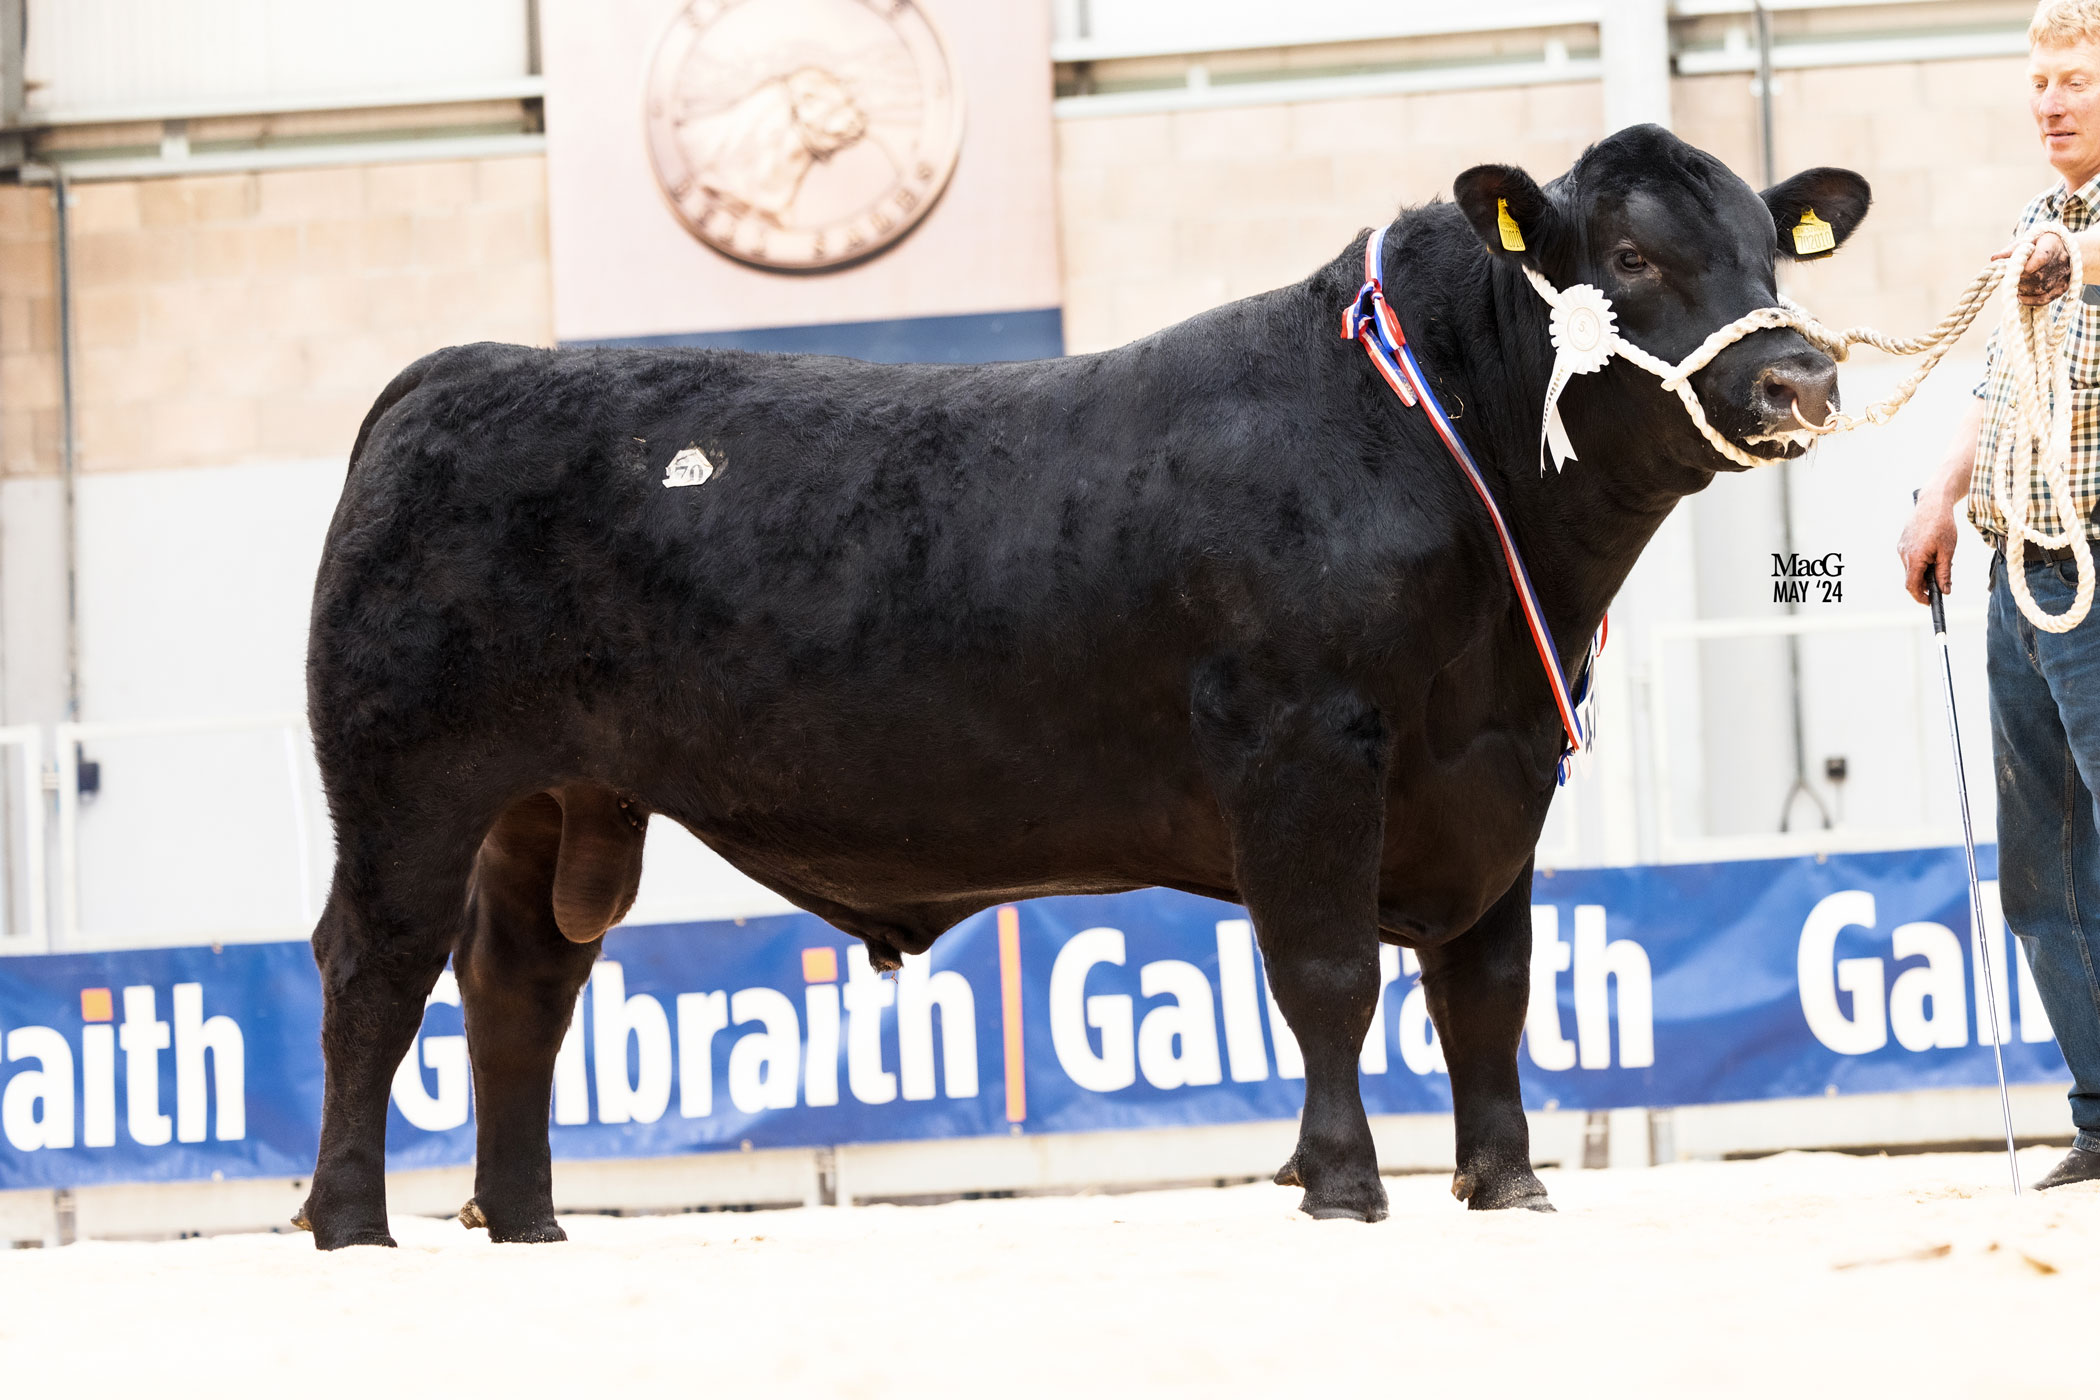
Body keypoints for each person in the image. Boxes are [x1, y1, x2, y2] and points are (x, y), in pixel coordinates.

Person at [1899, 0, 2100, 1190]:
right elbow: (1994, 383)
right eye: (2039, 83)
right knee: (2041, 865)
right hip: (2018, 570)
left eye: (2074, 77)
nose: (2053, 101)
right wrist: (1937, 498)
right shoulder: (2035, 221)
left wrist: (2075, 261)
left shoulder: (2066, 240)